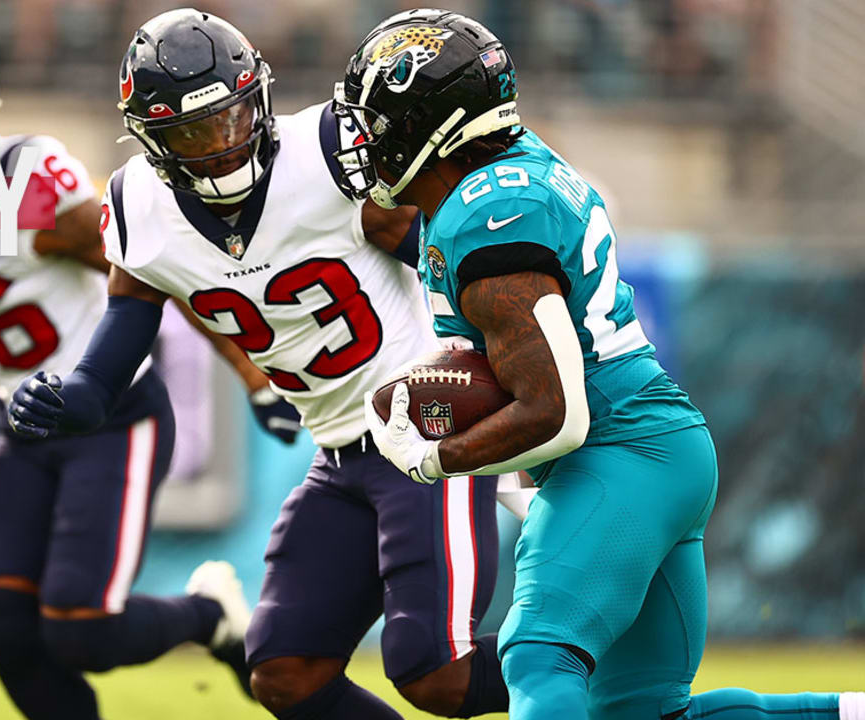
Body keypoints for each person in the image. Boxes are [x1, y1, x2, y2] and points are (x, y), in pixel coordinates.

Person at [9, 9, 537, 719]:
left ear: (258, 99)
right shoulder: (140, 205)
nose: (222, 148)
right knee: (286, 672)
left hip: (426, 427)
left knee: (435, 673)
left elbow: (457, 266)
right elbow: (123, 334)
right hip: (340, 456)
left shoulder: (331, 155)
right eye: (194, 135)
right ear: (154, 142)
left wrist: (510, 387)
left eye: (229, 121)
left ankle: (618, 672)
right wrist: (76, 396)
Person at [337, 9, 864, 720]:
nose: (366, 143)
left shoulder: (486, 212)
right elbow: (520, 365)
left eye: (381, 123)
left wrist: (439, 459)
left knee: (537, 650)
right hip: (655, 449)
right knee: (644, 711)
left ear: (432, 125)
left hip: (620, 448)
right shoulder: (503, 174)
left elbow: (556, 410)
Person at [0, 11, 291, 718]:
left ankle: (211, 615)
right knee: (0, 624)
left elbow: (162, 272)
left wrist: (252, 375)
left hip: (112, 417)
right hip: (21, 428)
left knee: (80, 631)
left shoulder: (27, 179)